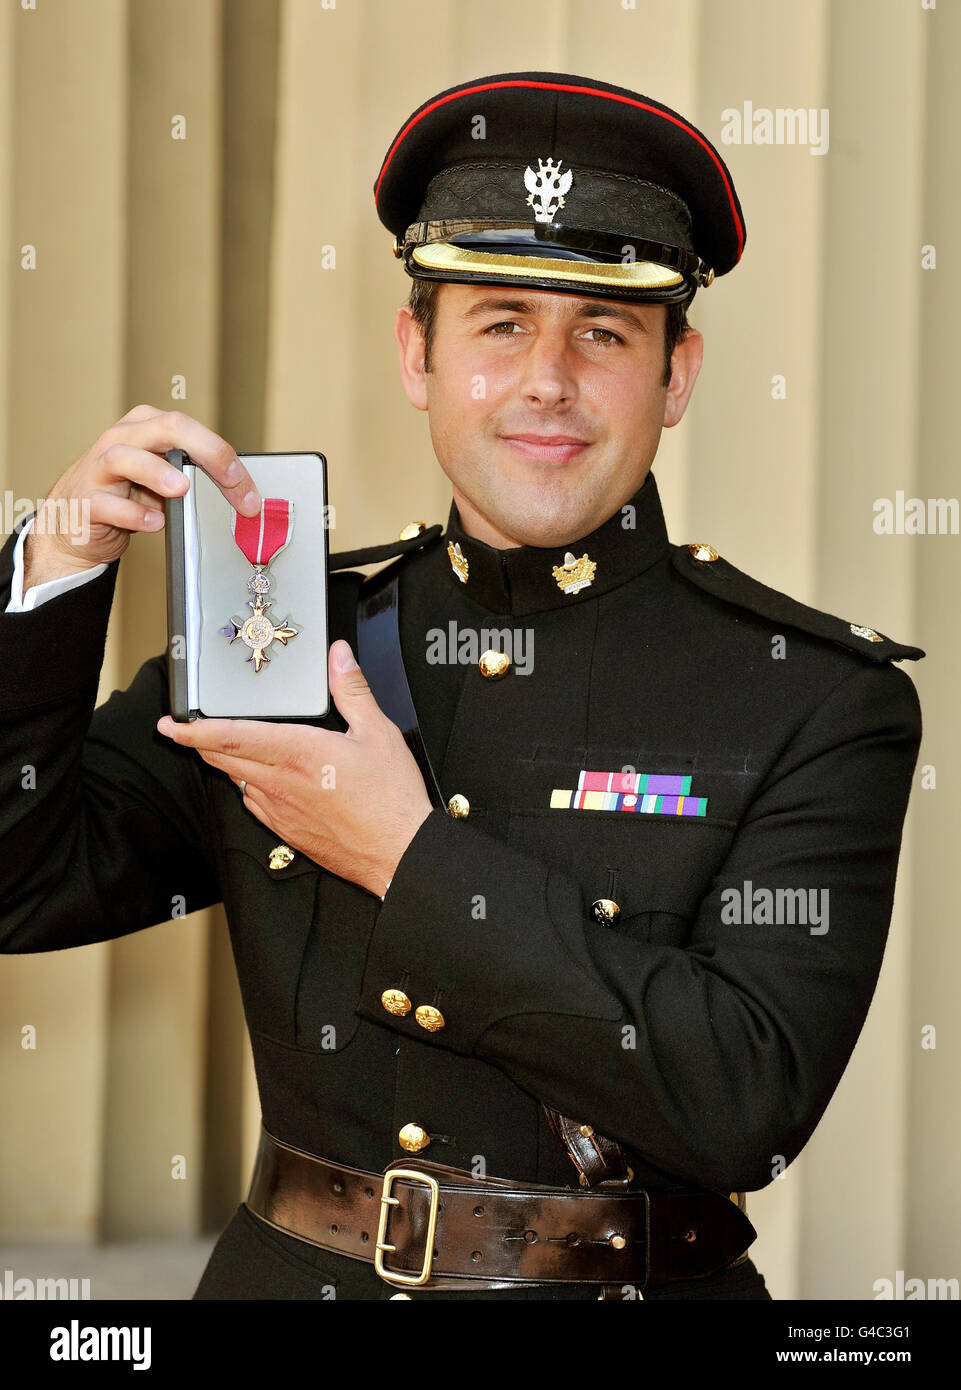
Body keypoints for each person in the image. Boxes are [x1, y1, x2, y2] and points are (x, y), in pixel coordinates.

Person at [0, 71, 924, 1301]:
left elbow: (742, 1102)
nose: (548, 378)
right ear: (417, 353)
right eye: (498, 322)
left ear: (678, 375)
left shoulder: (812, 697)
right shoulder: (275, 638)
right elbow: (20, 882)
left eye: (603, 331)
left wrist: (402, 854)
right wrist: (50, 577)